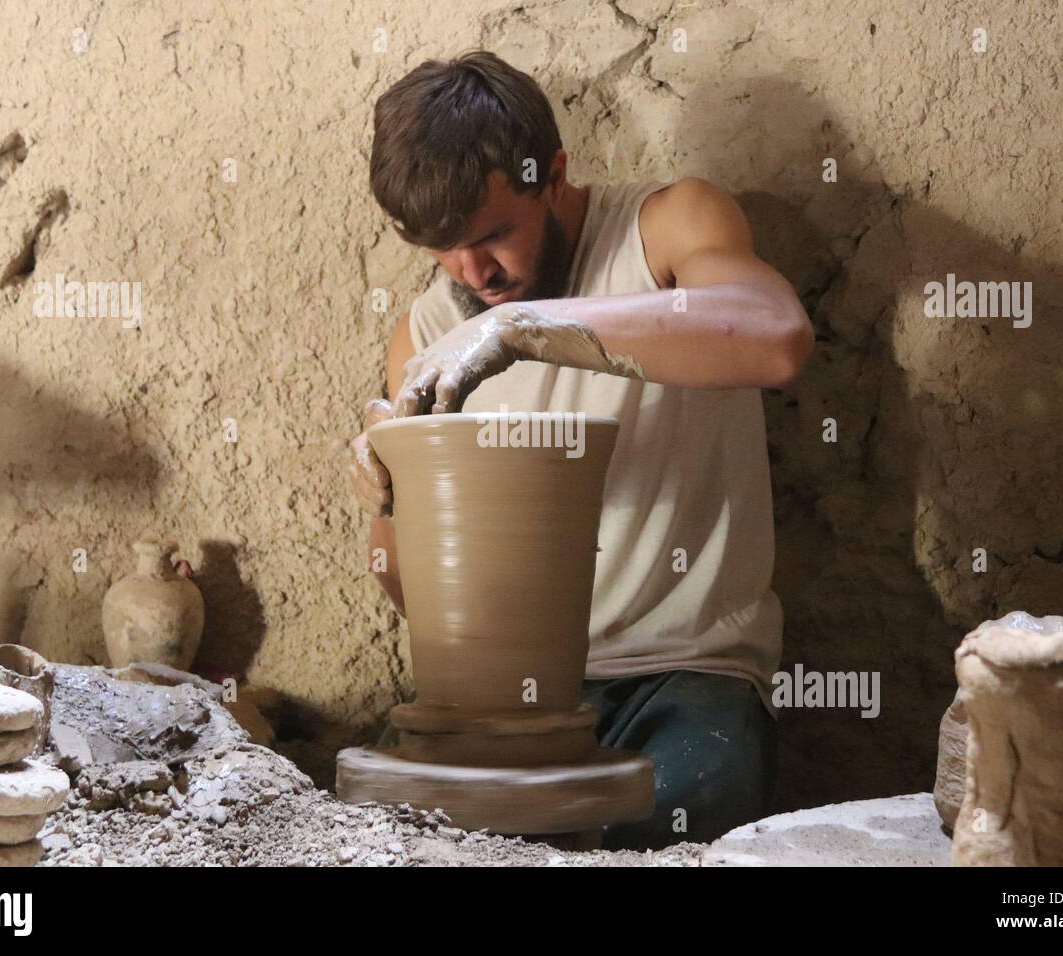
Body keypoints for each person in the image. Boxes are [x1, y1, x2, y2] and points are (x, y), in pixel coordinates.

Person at [347, 50, 812, 850]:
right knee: (377, 835)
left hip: (688, 671)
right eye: (443, 251)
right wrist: (390, 503)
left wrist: (525, 330)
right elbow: (413, 596)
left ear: (553, 173)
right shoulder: (427, 333)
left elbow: (777, 339)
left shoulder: (665, 229)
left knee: (663, 822)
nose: (474, 273)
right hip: (507, 702)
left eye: (494, 235)